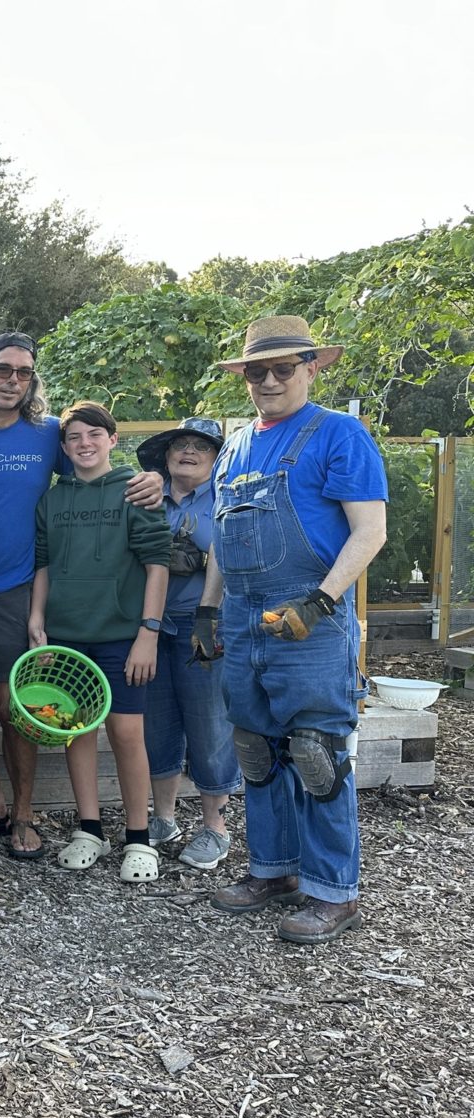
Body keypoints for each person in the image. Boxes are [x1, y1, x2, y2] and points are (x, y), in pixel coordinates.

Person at [196, 316, 387, 944]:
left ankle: (334, 890)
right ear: (245, 376)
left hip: (309, 616)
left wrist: (322, 601)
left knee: (316, 751)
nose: (270, 379)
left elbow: (370, 532)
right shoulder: (235, 445)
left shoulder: (338, 434)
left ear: (311, 367)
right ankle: (273, 870)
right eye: (258, 369)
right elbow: (225, 538)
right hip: (245, 618)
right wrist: (208, 608)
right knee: (256, 749)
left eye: (284, 367)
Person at [0, 334, 163, 860]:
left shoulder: (47, 436)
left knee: (16, 704)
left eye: (23, 372)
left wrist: (154, 480)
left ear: (32, 379)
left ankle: (25, 812)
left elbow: (100, 474)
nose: (12, 380)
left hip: (17, 588)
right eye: (3, 370)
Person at [29, 401, 170, 883]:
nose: (83, 444)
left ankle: (138, 838)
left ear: (112, 439)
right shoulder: (52, 500)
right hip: (67, 639)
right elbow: (43, 564)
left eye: (94, 434)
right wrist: (37, 622)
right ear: (63, 448)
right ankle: (89, 828)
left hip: (121, 637)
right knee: (76, 730)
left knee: (127, 733)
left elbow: (157, 564)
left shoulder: (135, 491)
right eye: (73, 438)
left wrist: (147, 634)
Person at [135, 417, 240, 870]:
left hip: (205, 627)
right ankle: (163, 818)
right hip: (151, 628)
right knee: (156, 724)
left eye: (201, 446)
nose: (189, 452)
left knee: (209, 723)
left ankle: (215, 825)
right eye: (181, 444)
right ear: (165, 455)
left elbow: (233, 557)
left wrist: (202, 576)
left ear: (217, 459)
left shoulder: (227, 499)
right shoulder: (147, 499)